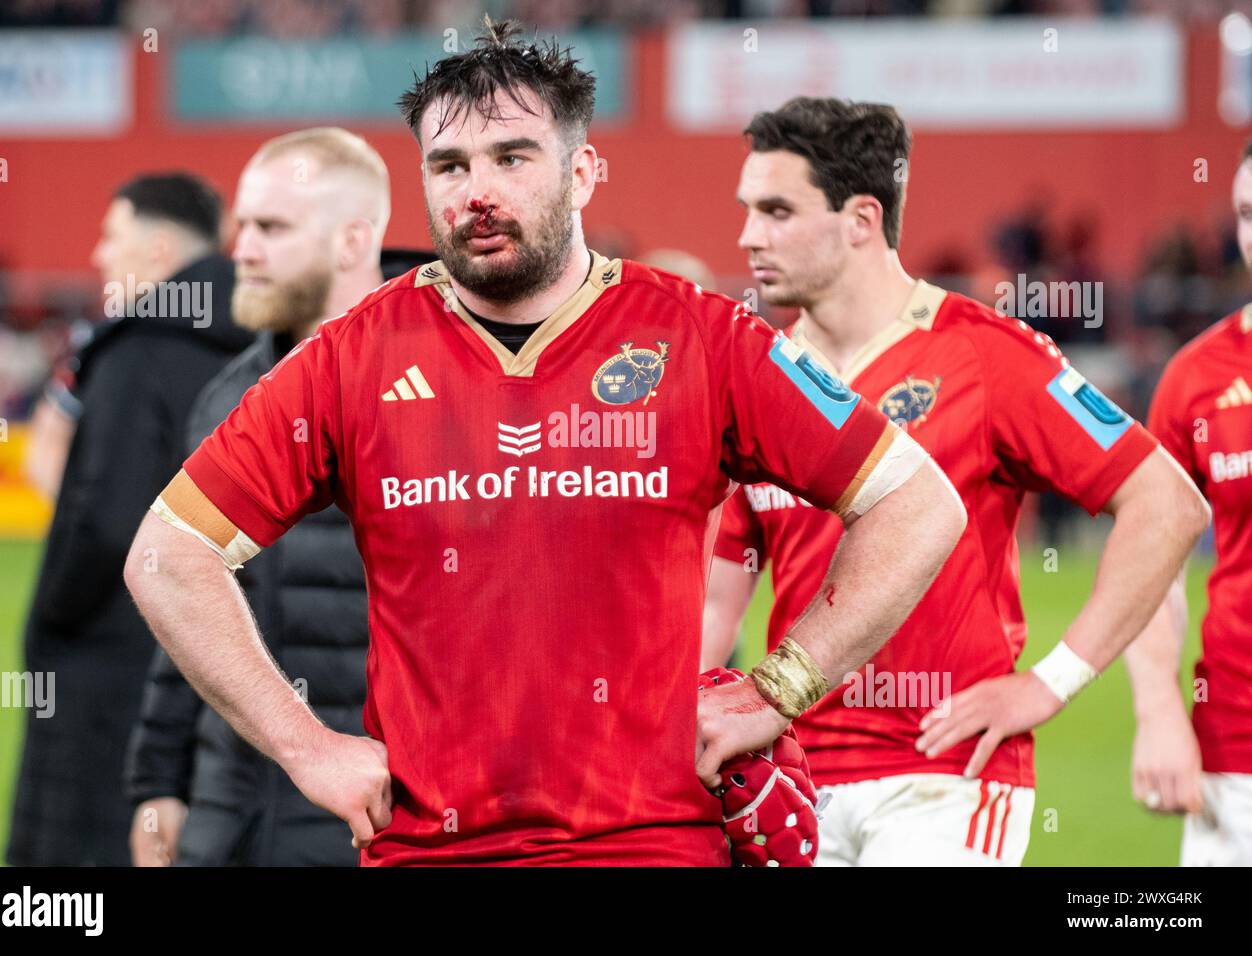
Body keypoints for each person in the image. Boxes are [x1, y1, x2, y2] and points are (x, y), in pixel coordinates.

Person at [123, 20, 965, 867]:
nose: (476, 192)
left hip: (652, 846)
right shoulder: (349, 356)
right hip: (428, 850)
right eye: (449, 167)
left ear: (583, 171)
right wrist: (306, 746)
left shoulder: (705, 338)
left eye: (513, 158)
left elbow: (915, 501)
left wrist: (781, 686)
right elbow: (168, 553)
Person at [703, 97, 1210, 866]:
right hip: (788, 779)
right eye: (747, 210)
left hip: (946, 778)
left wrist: (1049, 683)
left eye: (776, 210)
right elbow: (717, 596)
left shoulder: (984, 356)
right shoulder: (761, 378)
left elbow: (1165, 501)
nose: (748, 236)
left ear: (861, 219)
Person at [123, 127, 434, 867]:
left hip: (372, 807)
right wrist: (157, 780)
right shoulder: (228, 395)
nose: (244, 250)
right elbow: (183, 594)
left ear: (354, 238)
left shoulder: (436, 384)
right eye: (242, 226)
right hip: (229, 808)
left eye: (272, 227)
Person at [7, 173, 252, 866]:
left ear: (159, 248)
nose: (97, 254)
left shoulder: (131, 353)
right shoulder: (262, 349)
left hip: (110, 666)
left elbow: (103, 521)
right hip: (224, 653)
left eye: (112, 236)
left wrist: (54, 619)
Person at [1126, 139, 1252, 865]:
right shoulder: (1195, 377)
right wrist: (1160, 709)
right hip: (1235, 755)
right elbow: (1153, 562)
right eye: (1244, 213)